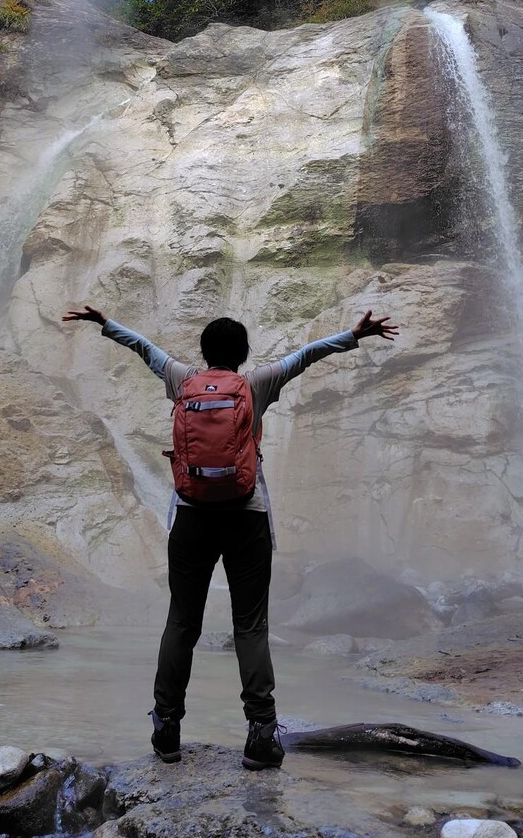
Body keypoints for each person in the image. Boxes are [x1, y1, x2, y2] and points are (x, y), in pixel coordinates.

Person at [61, 303, 400, 770]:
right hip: (246, 516)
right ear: (242, 354)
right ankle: (260, 735)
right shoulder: (256, 383)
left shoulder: (182, 379)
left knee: (182, 623)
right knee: (251, 625)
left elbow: (144, 348)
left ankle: (166, 729)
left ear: (203, 352)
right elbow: (306, 355)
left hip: (191, 516)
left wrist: (105, 324)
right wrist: (354, 336)